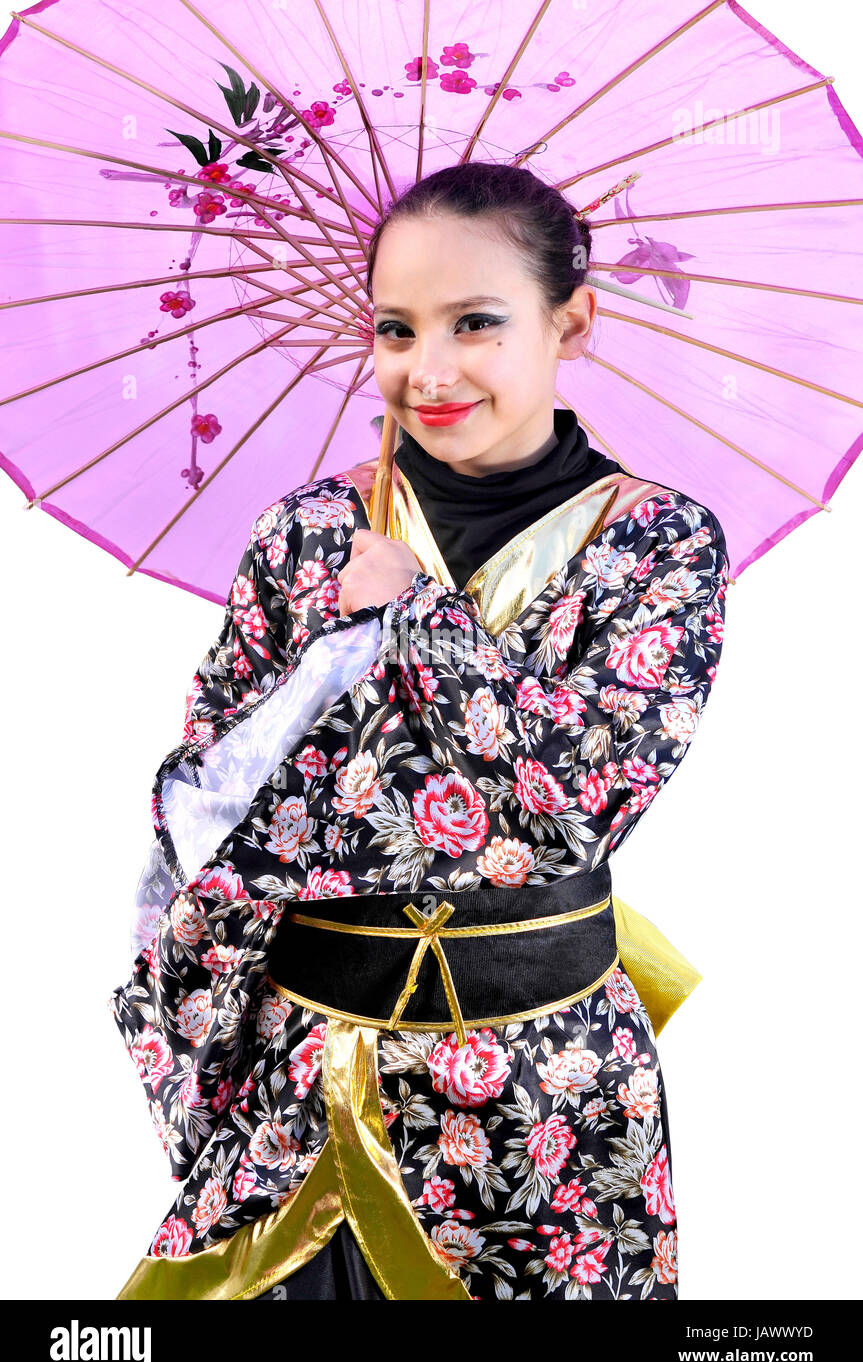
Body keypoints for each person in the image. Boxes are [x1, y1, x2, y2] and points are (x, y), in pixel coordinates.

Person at [111, 162, 728, 1301]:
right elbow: (208, 803)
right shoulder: (306, 531)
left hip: (543, 1088)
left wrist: (411, 620)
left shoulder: (657, 544)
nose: (426, 370)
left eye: (474, 323)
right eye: (395, 328)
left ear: (571, 320)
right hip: (301, 1082)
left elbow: (576, 809)